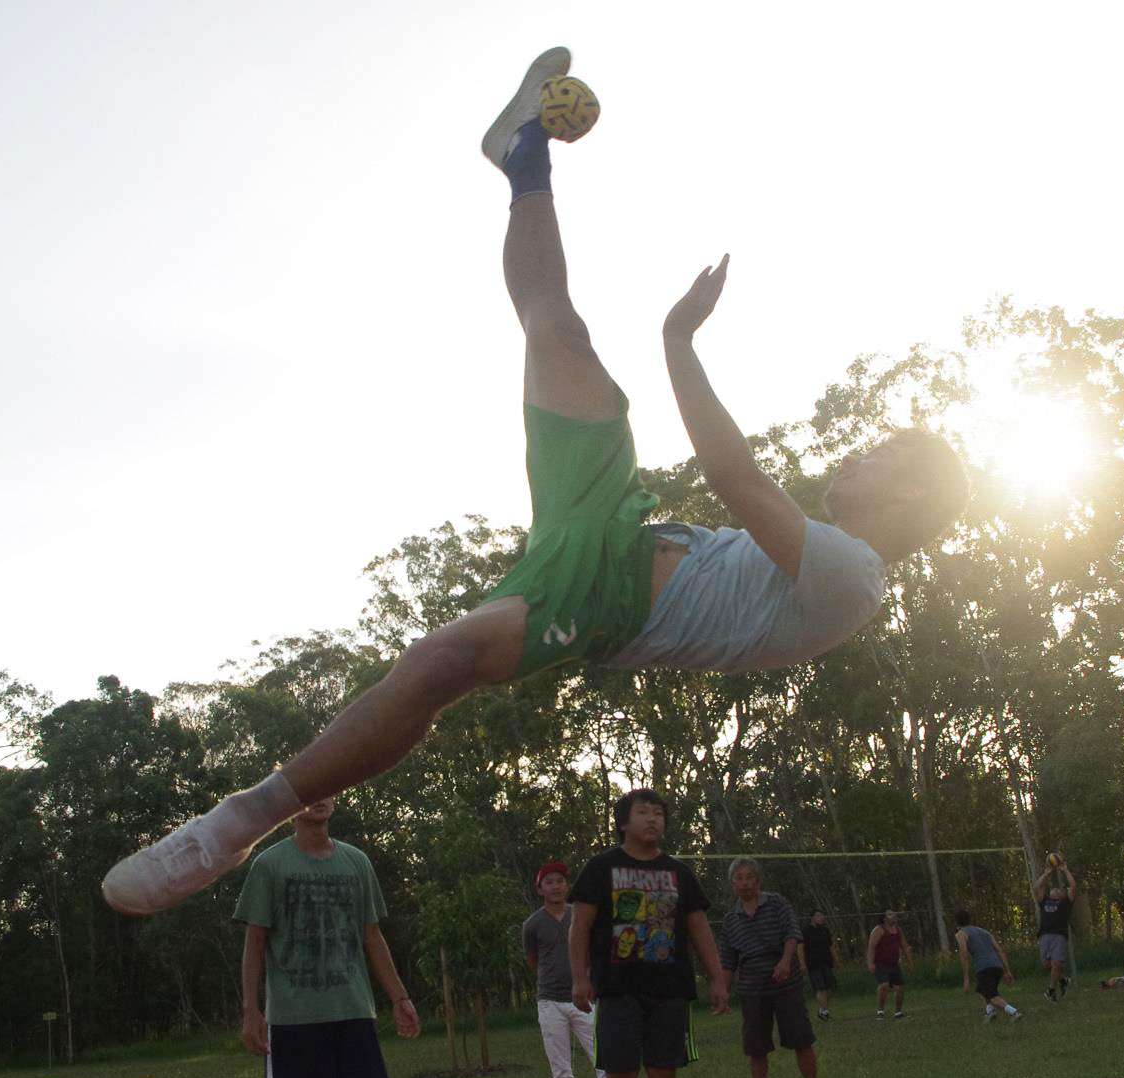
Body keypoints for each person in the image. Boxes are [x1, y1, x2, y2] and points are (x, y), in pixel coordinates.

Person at [100, 47, 969, 919]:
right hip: (615, 525)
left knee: (440, 661)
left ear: (912, 500)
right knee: (558, 331)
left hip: (609, 600)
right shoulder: (839, 560)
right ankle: (522, 154)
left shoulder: (855, 578)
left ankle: (228, 829)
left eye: (883, 454)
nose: (857, 458)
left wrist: (679, 342)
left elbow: (734, 477)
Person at [234, 795, 420, 1078]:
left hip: (351, 1009)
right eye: (308, 792)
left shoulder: (357, 862)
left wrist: (399, 997)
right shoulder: (269, 864)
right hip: (292, 1016)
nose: (318, 799)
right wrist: (251, 1010)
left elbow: (372, 935)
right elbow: (254, 941)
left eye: (327, 791)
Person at [570, 789, 727, 1078]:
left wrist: (717, 977)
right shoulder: (600, 868)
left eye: (659, 814)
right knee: (619, 1075)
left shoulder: (679, 873)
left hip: (670, 989)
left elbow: (699, 928)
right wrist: (579, 977)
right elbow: (580, 926)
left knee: (663, 1073)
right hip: (617, 988)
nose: (653, 820)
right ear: (624, 822)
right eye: (643, 813)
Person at [718, 859, 834, 1078]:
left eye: (750, 877)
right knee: (756, 1046)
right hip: (751, 988)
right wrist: (723, 993)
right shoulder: (730, 921)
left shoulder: (777, 903)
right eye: (739, 878)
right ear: (733, 884)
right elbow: (727, 961)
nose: (745, 882)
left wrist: (784, 962)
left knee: (802, 1039)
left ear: (758, 880)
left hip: (786, 984)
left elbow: (792, 934)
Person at [523, 860, 610, 1078]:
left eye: (560, 881)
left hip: (583, 998)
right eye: (549, 882)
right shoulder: (533, 925)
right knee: (560, 1064)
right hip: (550, 1001)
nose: (556, 886)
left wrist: (588, 981)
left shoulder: (580, 916)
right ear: (540, 889)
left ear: (567, 885)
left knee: (602, 1057)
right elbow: (533, 960)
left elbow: (595, 951)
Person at [954, 909, 1021, 1022]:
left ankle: (1014, 1012)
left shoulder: (961, 933)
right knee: (981, 990)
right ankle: (990, 1012)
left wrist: (966, 977)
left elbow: (964, 953)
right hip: (997, 965)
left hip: (983, 967)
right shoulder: (984, 931)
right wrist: (1006, 970)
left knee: (992, 996)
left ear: (956, 922)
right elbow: (999, 950)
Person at [1033, 857, 1076, 1002]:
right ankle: (1063, 981)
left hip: (1059, 935)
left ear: (1062, 894)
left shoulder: (1065, 903)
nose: (1056, 889)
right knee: (1047, 965)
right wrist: (1047, 873)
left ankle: (1051, 990)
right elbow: (1037, 887)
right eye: (1054, 888)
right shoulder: (1044, 900)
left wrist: (1065, 870)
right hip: (1044, 934)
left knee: (1056, 963)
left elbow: (1073, 885)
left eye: (1059, 889)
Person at [867, 911, 913, 1019]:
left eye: (894, 914)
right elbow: (871, 947)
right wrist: (870, 963)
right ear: (884, 918)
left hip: (894, 964)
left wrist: (910, 963)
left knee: (899, 988)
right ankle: (880, 1011)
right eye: (890, 915)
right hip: (881, 964)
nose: (894, 916)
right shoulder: (878, 930)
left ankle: (898, 1013)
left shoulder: (898, 930)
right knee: (884, 985)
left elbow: (905, 946)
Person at [800, 909, 837, 1020]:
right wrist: (802, 963)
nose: (821, 917)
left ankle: (821, 1010)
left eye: (822, 915)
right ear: (812, 917)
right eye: (819, 915)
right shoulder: (806, 931)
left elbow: (831, 946)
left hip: (826, 962)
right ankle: (825, 1013)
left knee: (829, 988)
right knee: (820, 988)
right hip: (813, 964)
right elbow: (800, 948)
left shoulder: (825, 930)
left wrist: (836, 959)